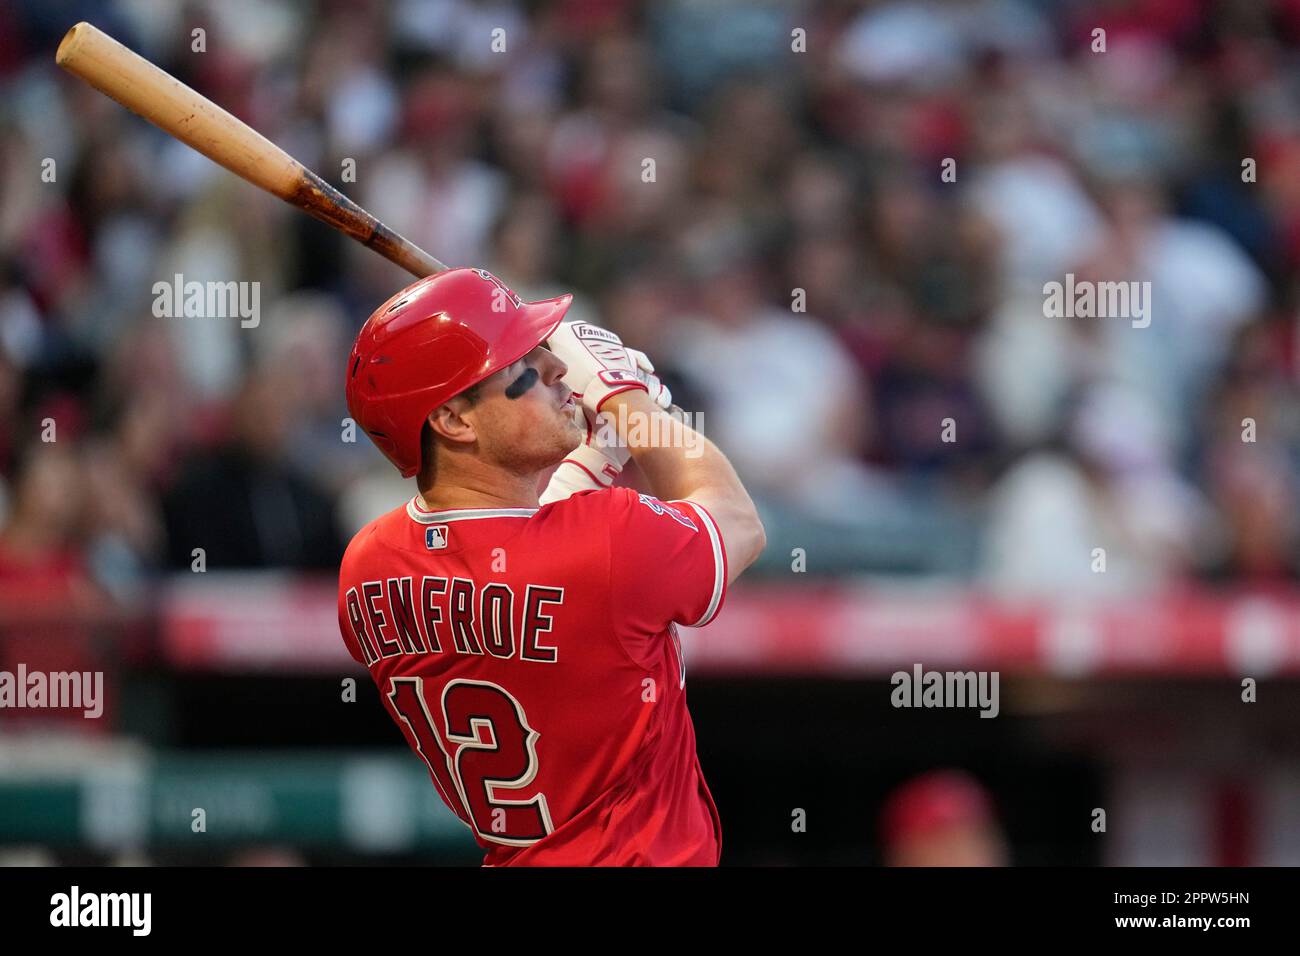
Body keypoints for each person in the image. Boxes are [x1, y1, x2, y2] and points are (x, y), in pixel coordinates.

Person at [338, 267, 765, 866]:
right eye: (525, 368)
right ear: (454, 420)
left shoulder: (368, 564)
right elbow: (738, 522)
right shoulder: (608, 539)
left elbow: (525, 554)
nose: (559, 368)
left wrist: (602, 449)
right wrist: (630, 406)